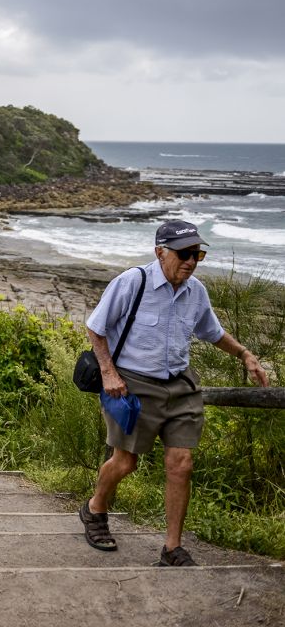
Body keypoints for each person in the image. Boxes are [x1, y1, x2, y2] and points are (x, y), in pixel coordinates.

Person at [79, 219, 270, 566]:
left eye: (197, 254)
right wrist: (108, 373)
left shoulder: (195, 291)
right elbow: (96, 328)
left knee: (181, 464)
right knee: (126, 462)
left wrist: (244, 354)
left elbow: (212, 331)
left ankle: (171, 548)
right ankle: (95, 509)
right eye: (184, 254)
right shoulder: (132, 282)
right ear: (160, 252)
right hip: (133, 384)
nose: (191, 261)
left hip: (181, 385)